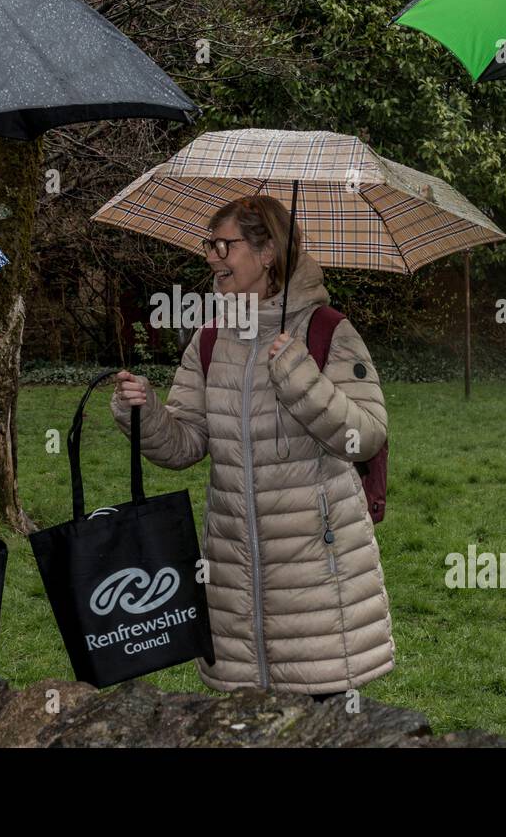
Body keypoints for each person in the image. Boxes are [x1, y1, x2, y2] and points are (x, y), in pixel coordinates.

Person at [110, 194, 395, 698]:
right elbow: (184, 446)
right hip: (231, 572)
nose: (212, 257)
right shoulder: (211, 338)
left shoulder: (328, 330)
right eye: (208, 245)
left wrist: (299, 377)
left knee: (321, 721)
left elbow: (365, 435)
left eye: (224, 245)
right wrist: (145, 413)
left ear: (267, 254)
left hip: (318, 574)